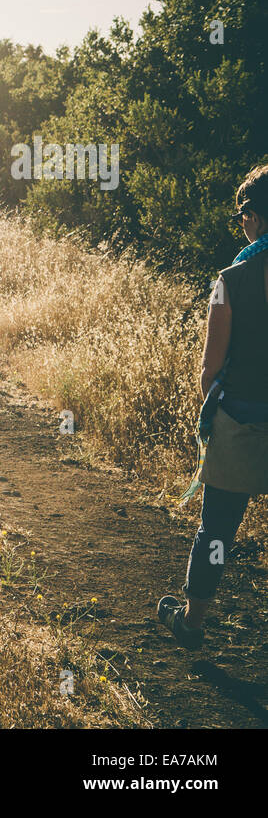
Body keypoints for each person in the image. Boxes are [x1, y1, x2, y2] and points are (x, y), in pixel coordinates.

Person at [159, 164, 268, 648]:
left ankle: (193, 620)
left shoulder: (230, 279)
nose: (241, 223)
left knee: (219, 529)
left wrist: (212, 413)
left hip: (240, 420)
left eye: (243, 213)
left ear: (258, 218)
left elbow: (210, 368)